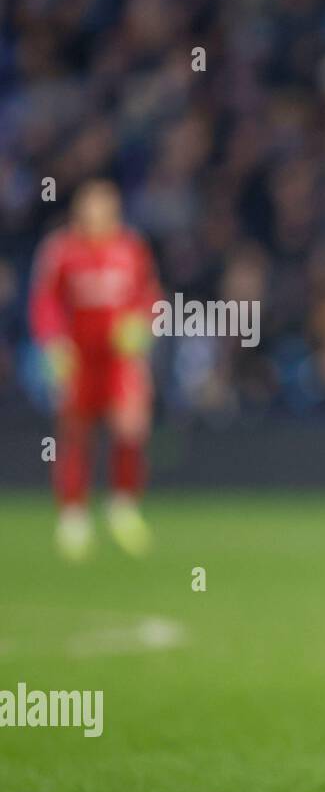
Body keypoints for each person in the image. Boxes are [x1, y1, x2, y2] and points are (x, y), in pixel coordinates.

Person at [29, 180, 160, 560]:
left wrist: (142, 327)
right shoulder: (61, 251)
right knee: (75, 433)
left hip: (119, 360)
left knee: (130, 428)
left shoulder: (131, 249)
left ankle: (123, 506)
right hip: (78, 358)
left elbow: (148, 296)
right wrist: (53, 342)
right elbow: (46, 302)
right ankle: (73, 515)